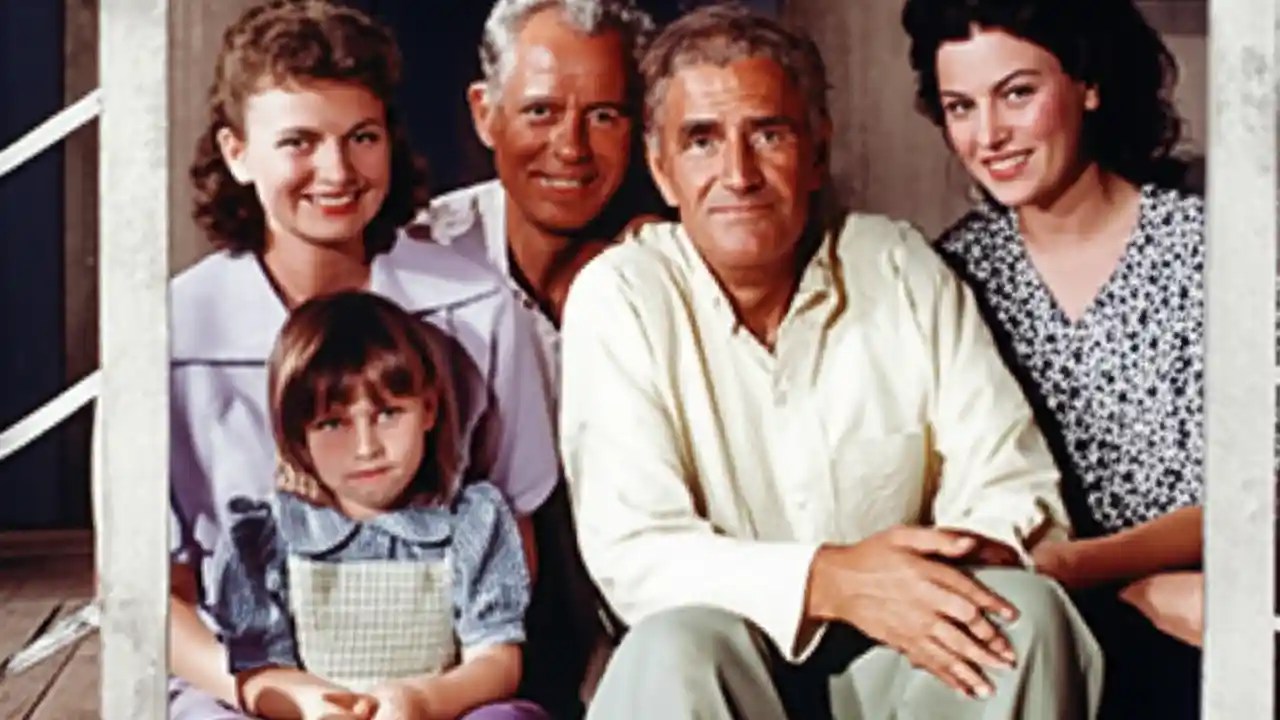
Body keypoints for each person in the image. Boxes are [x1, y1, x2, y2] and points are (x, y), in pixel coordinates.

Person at [559, 5, 1101, 719]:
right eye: (701, 141)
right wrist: (832, 581)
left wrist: (912, 587)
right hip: (719, 676)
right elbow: (637, 553)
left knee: (1020, 615)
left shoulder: (899, 267)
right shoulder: (622, 295)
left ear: (817, 151)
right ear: (662, 171)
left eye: (769, 134)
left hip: (908, 668)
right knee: (673, 645)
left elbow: (1013, 488)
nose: (739, 174)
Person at [169, 2, 558, 716]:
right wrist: (281, 695)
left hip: (435, 682)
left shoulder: (476, 306)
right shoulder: (172, 334)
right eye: (298, 142)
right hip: (242, 685)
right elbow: (153, 592)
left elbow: (514, 528)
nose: (337, 170)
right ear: (236, 152)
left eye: (362, 137)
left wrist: (433, 690)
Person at [901, 0, 1202, 716]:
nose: (989, 135)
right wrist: (1112, 583)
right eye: (960, 107)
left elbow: (1264, 499)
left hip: (1202, 625)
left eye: (1017, 94)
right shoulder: (948, 277)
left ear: (1088, 84)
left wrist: (1093, 569)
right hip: (1028, 629)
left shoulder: (1209, 251)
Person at [405, 1, 660, 712]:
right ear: (487, 115)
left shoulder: (665, 264)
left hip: (633, 607)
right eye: (542, 113)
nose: (572, 148)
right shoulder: (416, 261)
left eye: (605, 115)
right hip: (459, 631)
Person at [213, 291, 549, 720]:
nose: (367, 447)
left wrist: (424, 701)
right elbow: (258, 671)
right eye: (334, 423)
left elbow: (497, 660)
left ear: (428, 410)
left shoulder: (470, 522)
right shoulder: (269, 536)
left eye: (389, 414)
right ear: (299, 436)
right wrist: (315, 708)